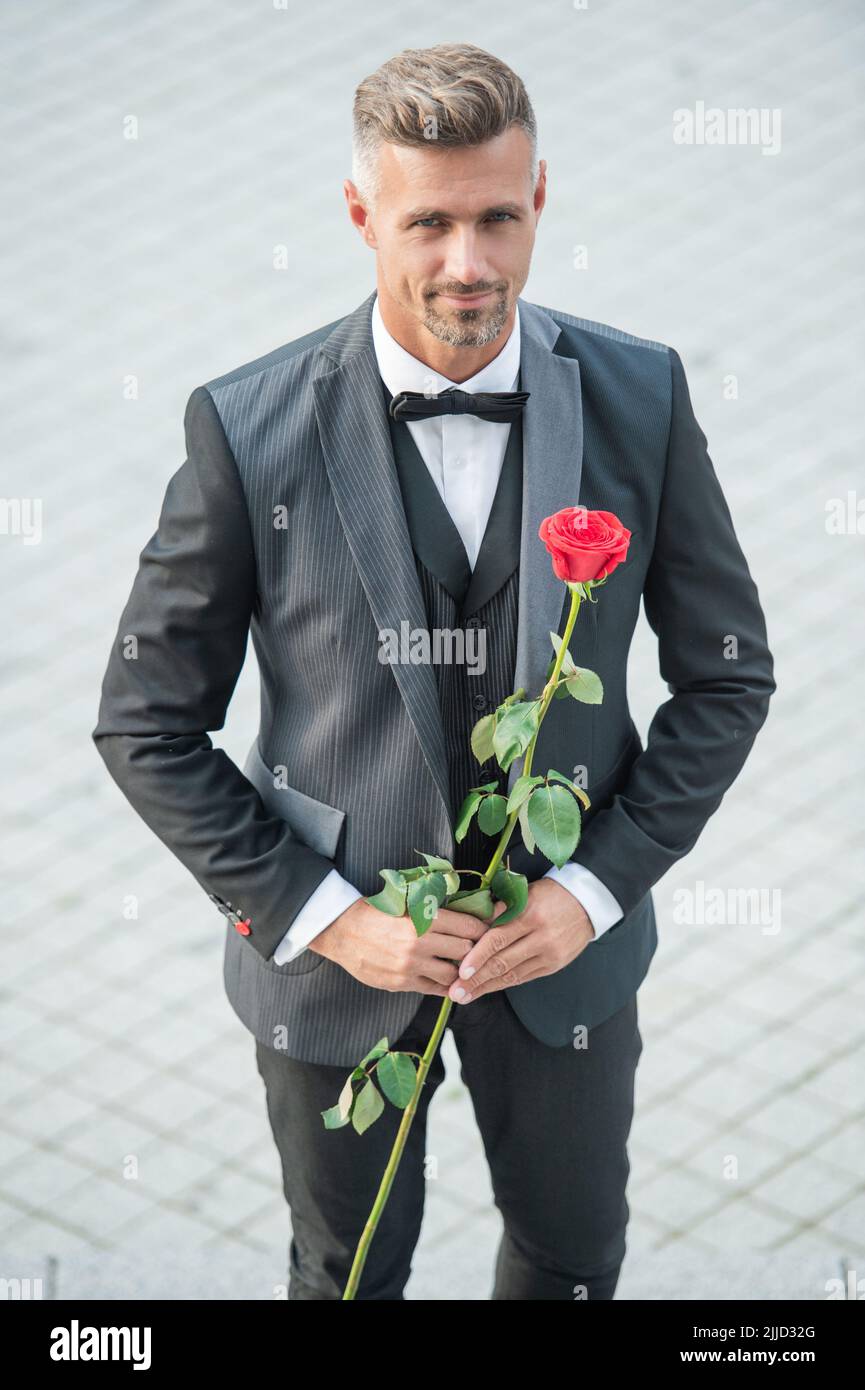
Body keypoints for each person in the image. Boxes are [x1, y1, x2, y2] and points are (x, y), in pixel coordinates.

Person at [92, 42, 775, 1300]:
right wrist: (326, 919)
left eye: (498, 218)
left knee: (573, 1263)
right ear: (361, 215)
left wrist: (587, 889)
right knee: (344, 1273)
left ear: (541, 199)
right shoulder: (247, 427)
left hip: (566, 960)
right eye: (430, 223)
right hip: (330, 966)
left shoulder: (640, 394)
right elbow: (143, 724)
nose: (469, 263)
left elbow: (727, 677)